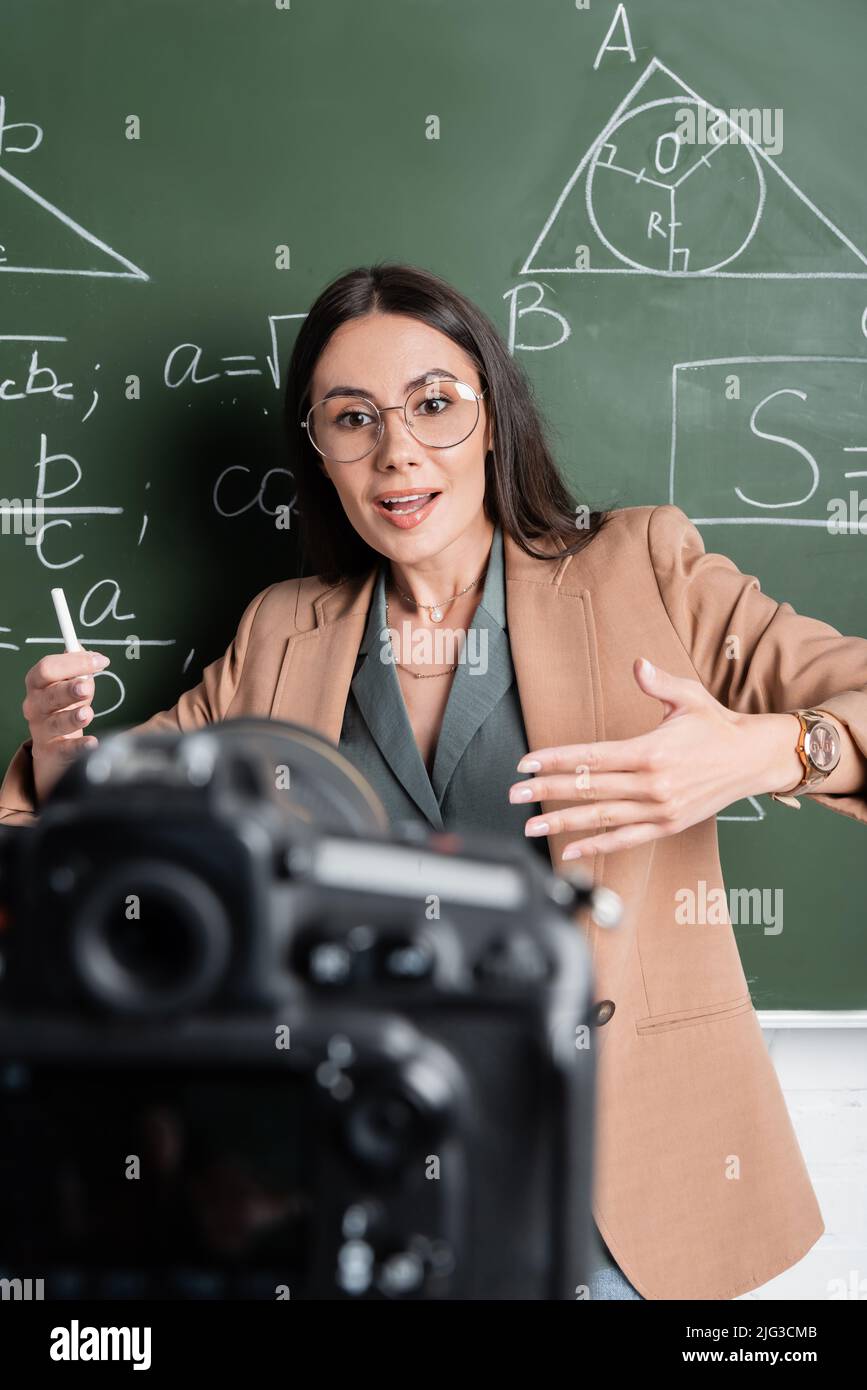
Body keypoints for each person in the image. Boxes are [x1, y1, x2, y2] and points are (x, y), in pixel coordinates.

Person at [2, 262, 866, 1300]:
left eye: (434, 405)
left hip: (619, 1204)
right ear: (318, 450)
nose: (398, 451)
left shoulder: (643, 565)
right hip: (347, 1183)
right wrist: (60, 757)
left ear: (494, 418)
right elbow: (123, 828)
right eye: (352, 418)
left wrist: (770, 750)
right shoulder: (285, 629)